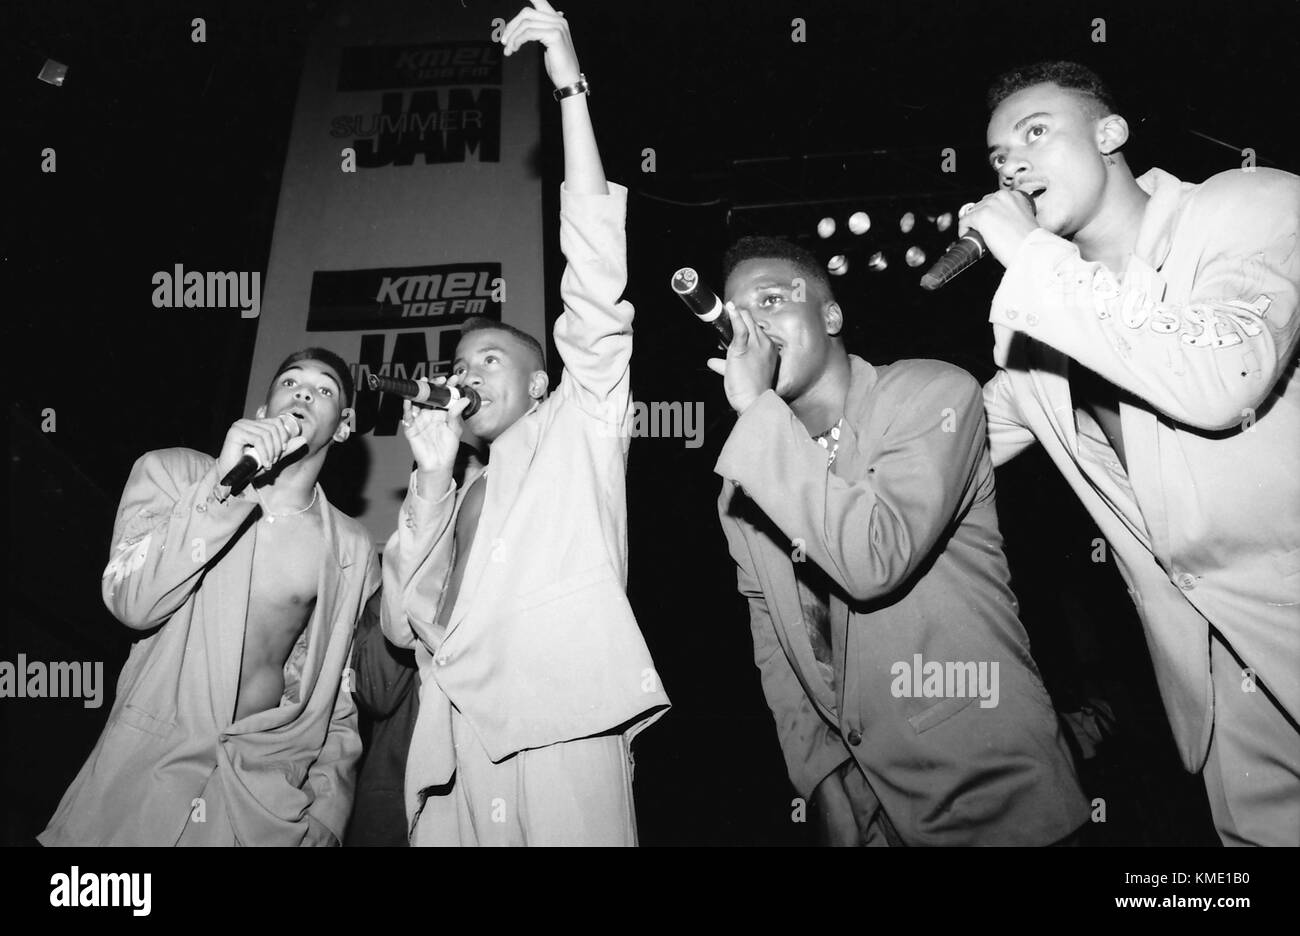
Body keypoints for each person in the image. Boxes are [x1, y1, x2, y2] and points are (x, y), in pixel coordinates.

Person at [968, 60, 1300, 846]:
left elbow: (1227, 377)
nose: (1012, 162)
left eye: (1036, 132)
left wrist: (1030, 260)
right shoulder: (1035, 331)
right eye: (996, 155)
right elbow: (950, 453)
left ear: (1111, 133)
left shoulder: (1245, 205)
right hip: (1217, 691)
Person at [380, 0, 669, 847]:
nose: (467, 373)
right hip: (455, 746)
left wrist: (570, 89)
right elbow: (405, 626)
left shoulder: (578, 422)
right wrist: (430, 476)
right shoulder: (453, 484)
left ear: (540, 381)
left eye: (490, 359)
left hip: (564, 721)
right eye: (459, 362)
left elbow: (594, 277)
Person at [709, 235, 1089, 845]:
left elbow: (873, 558)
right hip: (866, 806)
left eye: (772, 300)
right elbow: (775, 641)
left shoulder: (931, 394)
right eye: (737, 317)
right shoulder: (744, 481)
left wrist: (756, 411)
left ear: (830, 315)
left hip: (983, 782)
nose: (752, 326)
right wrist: (823, 780)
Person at [40, 347, 378, 846]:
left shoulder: (350, 546)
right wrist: (221, 487)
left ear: (344, 425)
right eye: (290, 382)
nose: (304, 392)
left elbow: (337, 697)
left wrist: (327, 815)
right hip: (146, 778)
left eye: (324, 389)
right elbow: (131, 601)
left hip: (261, 799)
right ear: (262, 412)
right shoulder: (173, 474)